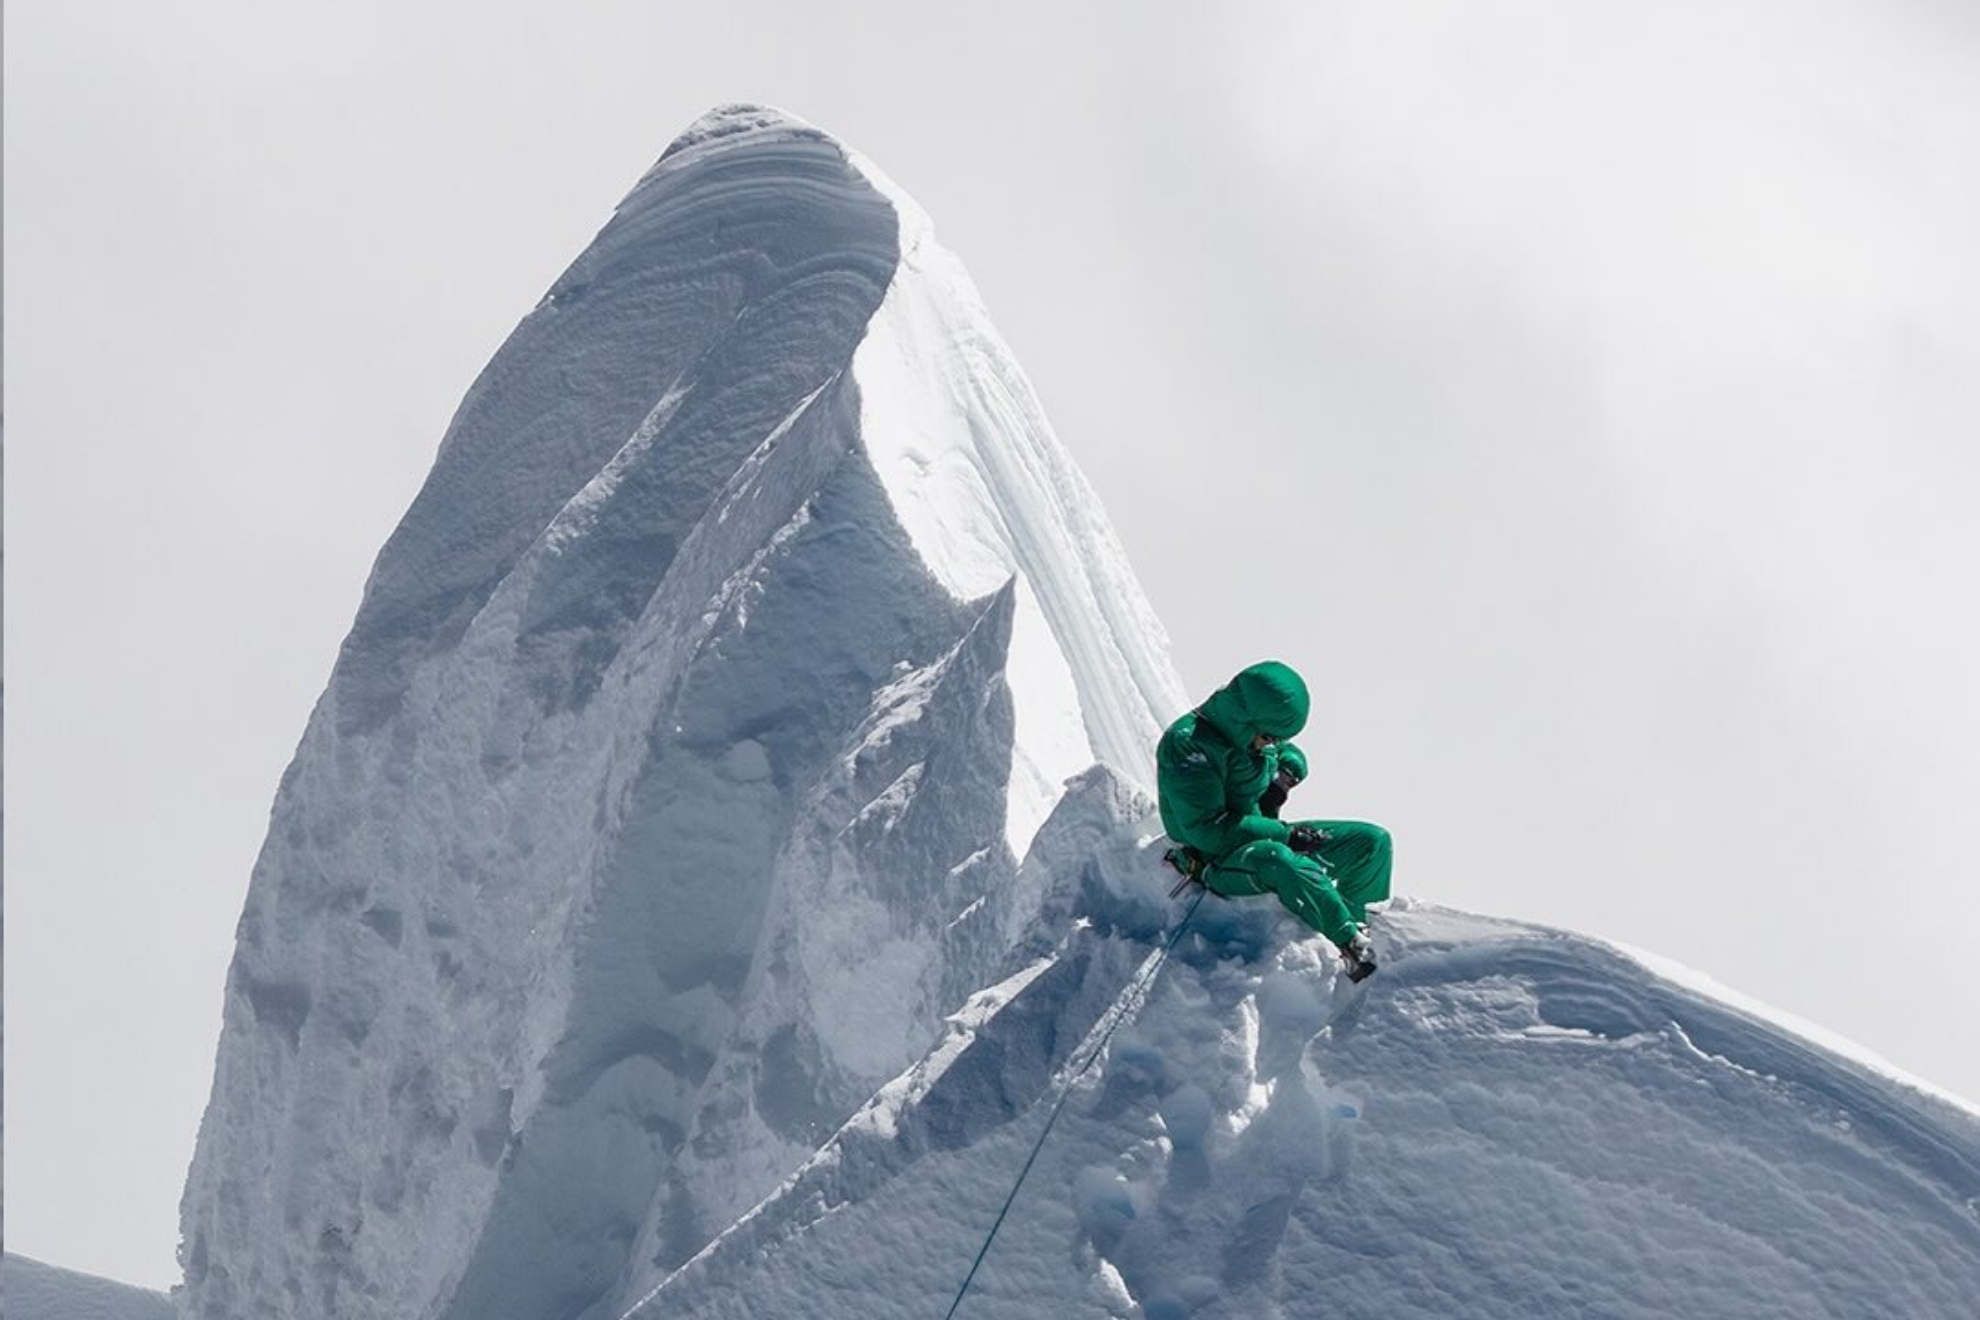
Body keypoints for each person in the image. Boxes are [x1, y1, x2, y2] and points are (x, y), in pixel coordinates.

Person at [1156, 660, 1391, 980]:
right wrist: (1286, 836)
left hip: (1258, 833)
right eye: (1269, 737)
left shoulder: (1250, 736)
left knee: (1372, 842)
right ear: (1246, 719)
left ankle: (1364, 923)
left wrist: (1284, 775)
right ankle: (1353, 949)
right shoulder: (1188, 746)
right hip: (1214, 858)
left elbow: (1290, 753)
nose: (1272, 744)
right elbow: (1208, 831)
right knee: (1279, 859)